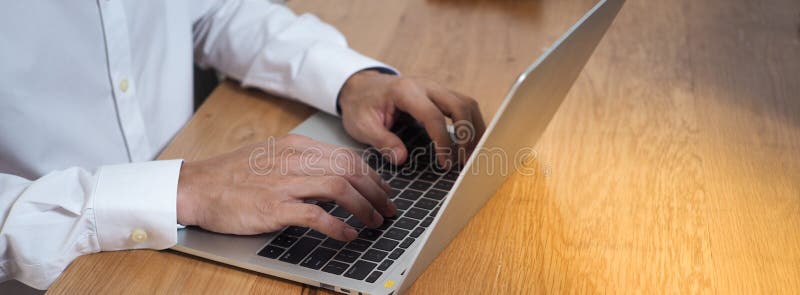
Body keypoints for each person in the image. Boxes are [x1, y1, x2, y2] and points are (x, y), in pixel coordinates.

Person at [0, 0, 485, 290]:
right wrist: (180, 189)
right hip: (49, 272)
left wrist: (349, 79)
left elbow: (216, 9)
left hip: (196, 230)